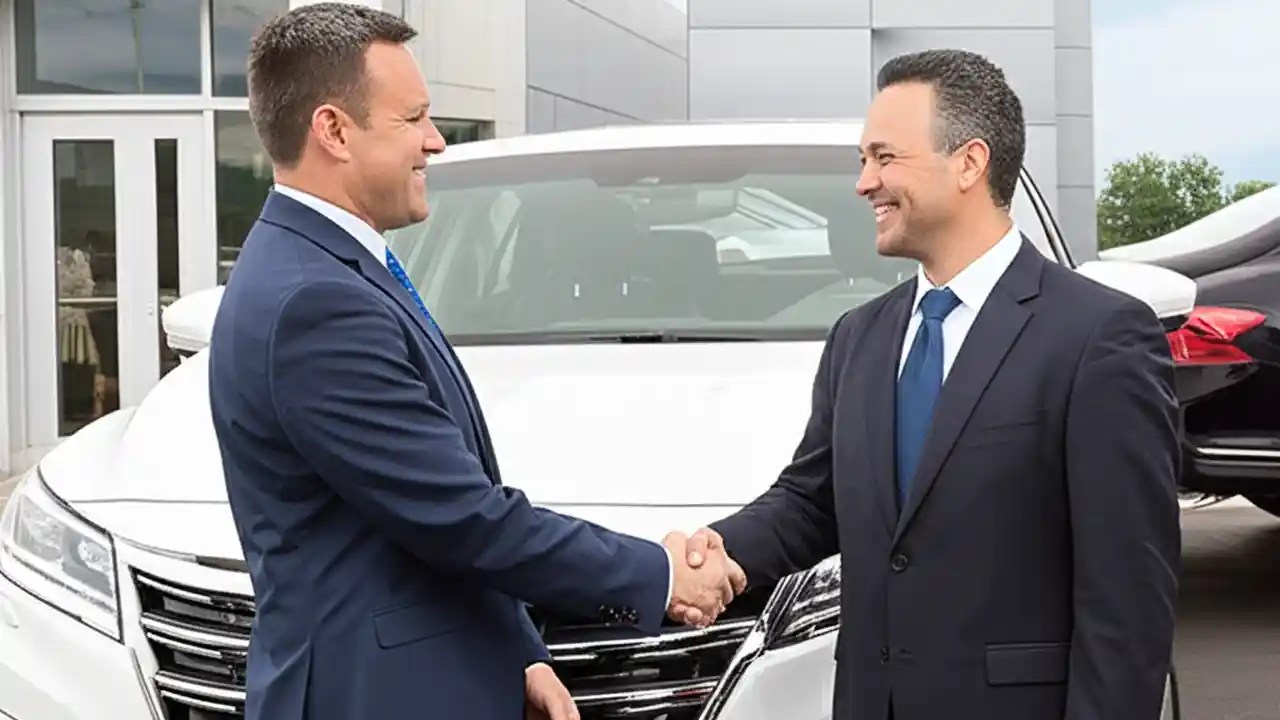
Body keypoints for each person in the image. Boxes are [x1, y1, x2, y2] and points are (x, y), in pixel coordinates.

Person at [206, 5, 744, 720]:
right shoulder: (315, 301)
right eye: (414, 119)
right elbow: (461, 517)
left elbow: (422, 517)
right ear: (334, 130)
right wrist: (663, 572)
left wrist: (517, 647)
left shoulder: (338, 268)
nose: (434, 142)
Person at [674, 49, 1181, 719]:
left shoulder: (1099, 336)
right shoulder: (859, 337)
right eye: (863, 160)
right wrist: (710, 552)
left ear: (969, 163)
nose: (864, 183)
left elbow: (1129, 602)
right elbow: (811, 502)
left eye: (884, 158)